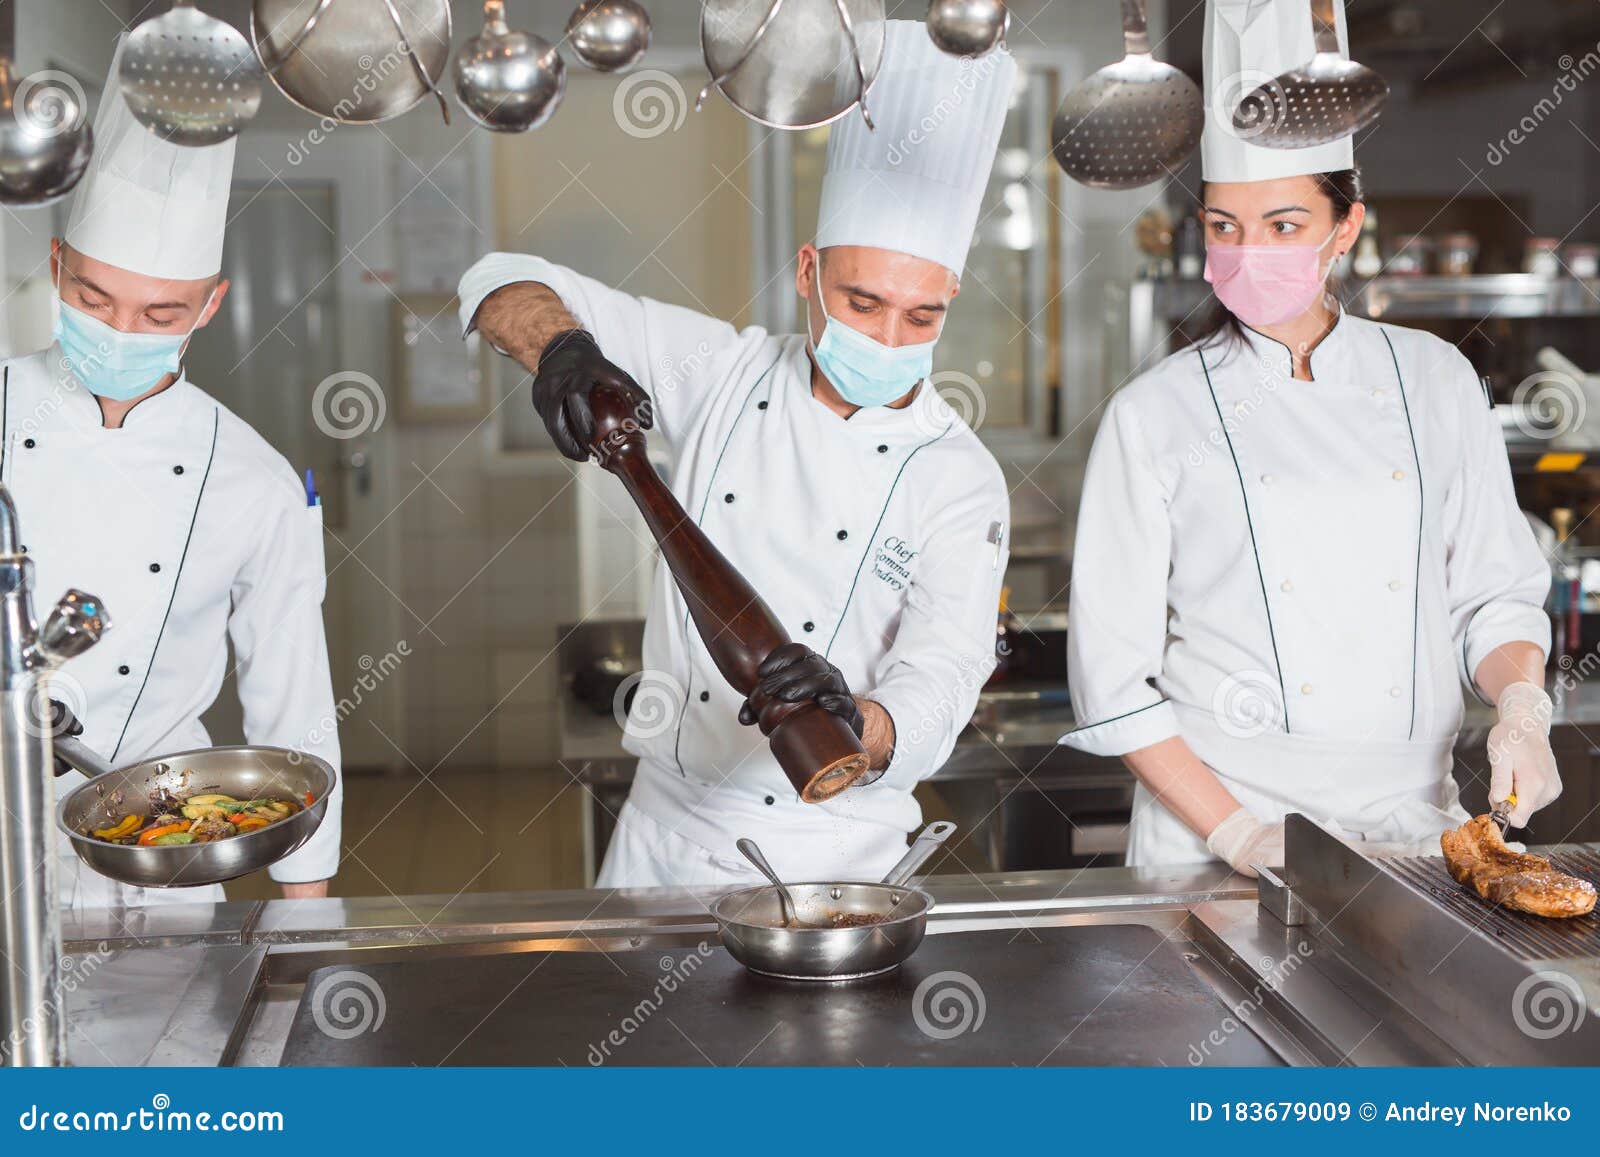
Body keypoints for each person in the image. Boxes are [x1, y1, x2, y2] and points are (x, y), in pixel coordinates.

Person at [459, 21, 1015, 888]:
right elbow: (503, 280)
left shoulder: (960, 476)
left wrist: (859, 718)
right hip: (664, 839)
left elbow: (943, 675)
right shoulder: (723, 369)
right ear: (808, 272)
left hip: (838, 854)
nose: (890, 336)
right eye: (863, 302)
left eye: (922, 316)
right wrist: (564, 347)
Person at [1060, 0, 1557, 875]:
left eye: (1284, 225)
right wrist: (1240, 835)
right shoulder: (1153, 414)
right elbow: (1112, 680)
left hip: (1413, 833)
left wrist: (1521, 704)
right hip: (1212, 843)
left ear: (1346, 227)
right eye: (1224, 227)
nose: (1250, 252)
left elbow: (1494, 595)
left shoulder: (1436, 379)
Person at [4, 40, 342, 909]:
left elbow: (293, 697)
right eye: (91, 299)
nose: (120, 331)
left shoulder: (253, 480)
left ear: (210, 305)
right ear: (53, 270)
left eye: (160, 313)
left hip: (159, 851)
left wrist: (305, 929)